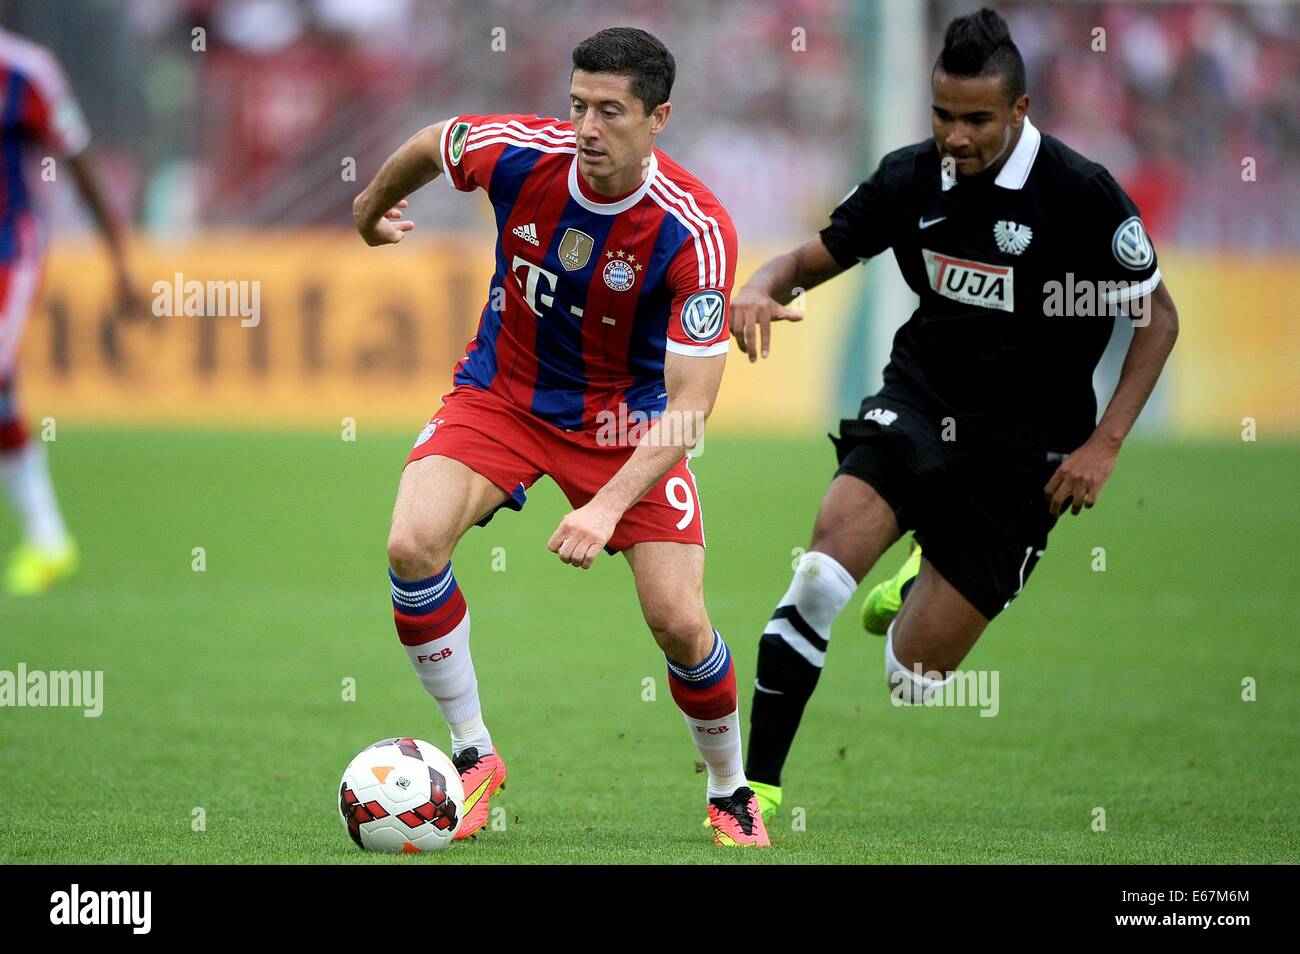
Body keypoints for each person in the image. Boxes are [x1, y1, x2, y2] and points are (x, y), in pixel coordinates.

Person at [729, 8, 1179, 821]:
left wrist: (1105, 443)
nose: (956, 136)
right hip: (918, 406)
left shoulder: (1080, 195)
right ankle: (749, 794)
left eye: (976, 119)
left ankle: (919, 573)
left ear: (1019, 111)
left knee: (916, 679)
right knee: (819, 578)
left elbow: (1158, 318)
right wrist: (761, 288)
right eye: (943, 116)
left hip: (1026, 455)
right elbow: (806, 259)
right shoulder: (909, 179)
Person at [352, 27, 769, 846]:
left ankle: (729, 791)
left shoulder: (695, 230)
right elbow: (438, 140)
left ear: (659, 119)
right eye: (577, 104)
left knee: (680, 622)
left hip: (627, 423)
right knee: (411, 545)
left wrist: (607, 508)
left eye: (610, 111)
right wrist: (368, 209)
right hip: (503, 394)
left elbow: (690, 407)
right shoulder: (520, 154)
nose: (586, 126)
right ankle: (473, 753)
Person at [0, 26, 138, 595]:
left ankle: (49, 536)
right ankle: (50, 538)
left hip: (11, 251)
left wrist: (119, 258)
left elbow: (78, 159)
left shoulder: (25, 70)